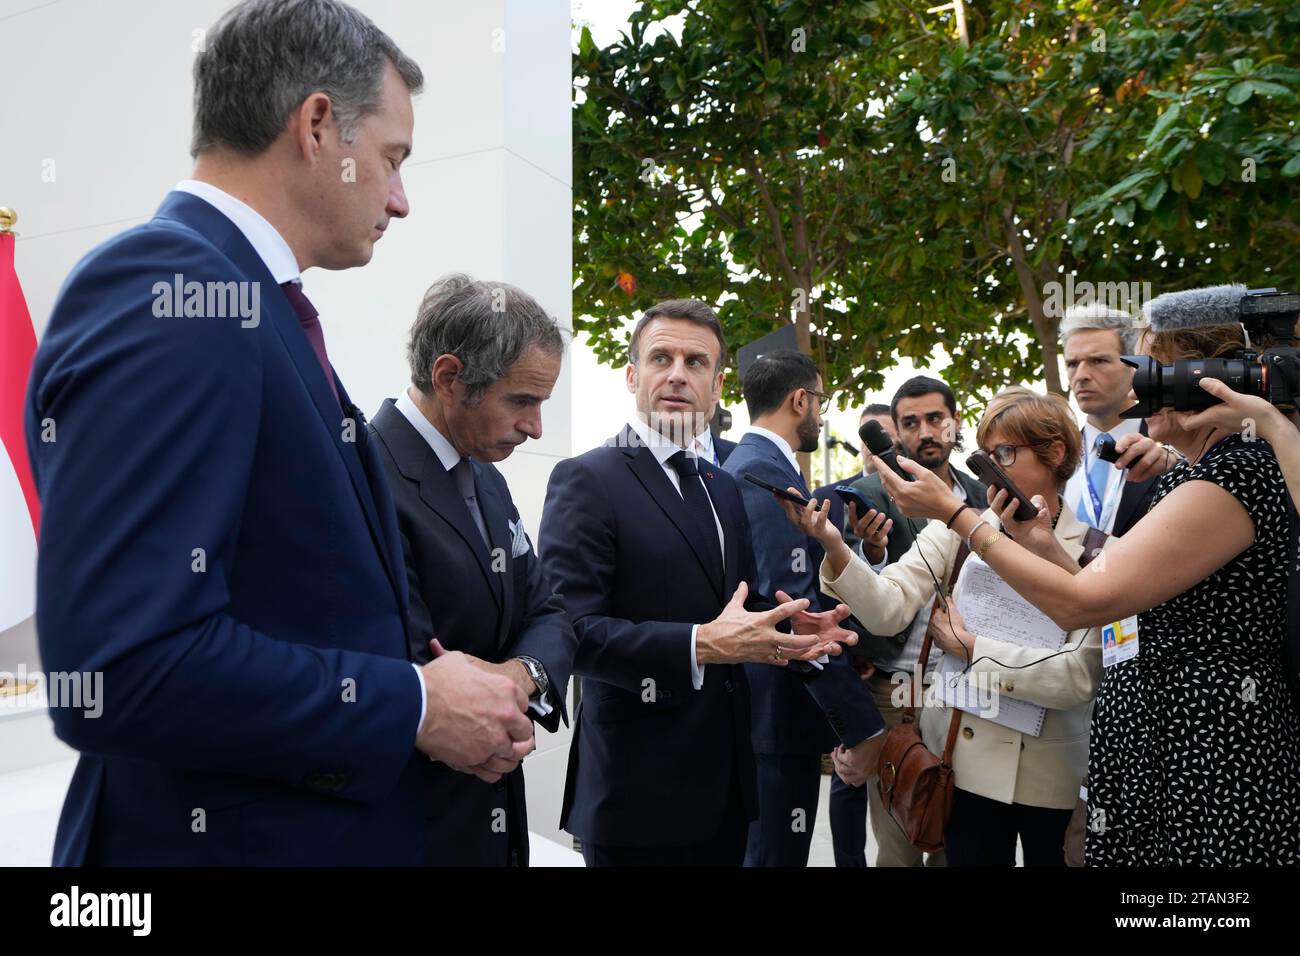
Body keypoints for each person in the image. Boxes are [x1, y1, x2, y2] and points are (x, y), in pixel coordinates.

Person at [25, 0, 533, 865]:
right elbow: (117, 674)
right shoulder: (173, 289)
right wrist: (412, 704)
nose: (401, 200)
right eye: (392, 159)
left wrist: (435, 672)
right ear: (317, 126)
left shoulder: (246, 303)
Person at [874, 320, 1300, 865]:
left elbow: (1087, 604)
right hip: (1158, 741)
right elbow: (1100, 587)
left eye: (1149, 371)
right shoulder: (1187, 474)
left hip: (1207, 744)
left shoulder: (1237, 470)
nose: (1136, 388)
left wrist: (958, 515)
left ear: (1205, 379)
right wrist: (1045, 546)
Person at [538, 299, 854, 866]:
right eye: (661, 358)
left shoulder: (723, 484)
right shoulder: (586, 478)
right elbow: (571, 631)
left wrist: (788, 628)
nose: (678, 373)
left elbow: (738, 602)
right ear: (633, 375)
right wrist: (700, 644)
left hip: (729, 789)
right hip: (636, 793)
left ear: (717, 386)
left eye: (696, 362)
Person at [785, 387, 1103, 866]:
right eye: (986, 455)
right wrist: (834, 545)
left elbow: (1076, 679)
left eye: (1005, 454)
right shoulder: (960, 528)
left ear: (1055, 452)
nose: (990, 469)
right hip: (961, 762)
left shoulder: (1093, 551)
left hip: (1051, 773)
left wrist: (973, 647)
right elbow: (889, 607)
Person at [369, 275, 577, 866]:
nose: (536, 427)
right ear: (449, 378)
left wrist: (518, 675)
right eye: (522, 401)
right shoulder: (362, 475)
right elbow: (393, 665)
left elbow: (550, 612)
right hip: (412, 826)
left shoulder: (487, 476)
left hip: (493, 822)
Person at [723, 350, 885, 866]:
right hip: (775, 715)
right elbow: (792, 611)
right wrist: (862, 726)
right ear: (801, 400)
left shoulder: (740, 465)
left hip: (759, 708)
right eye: (822, 401)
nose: (822, 414)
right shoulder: (767, 477)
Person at [835, 376, 986, 867]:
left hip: (967, 689)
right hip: (893, 690)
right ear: (896, 432)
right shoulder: (866, 494)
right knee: (898, 842)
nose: (926, 431)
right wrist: (871, 552)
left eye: (935, 419)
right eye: (911, 423)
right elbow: (842, 603)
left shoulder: (984, 497)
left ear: (955, 422)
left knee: (953, 837)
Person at [1060, 305, 1159, 536]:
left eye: (1098, 361)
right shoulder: (1057, 456)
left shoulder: (1171, 450)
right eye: (1072, 364)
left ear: (1134, 366)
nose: (1081, 375)